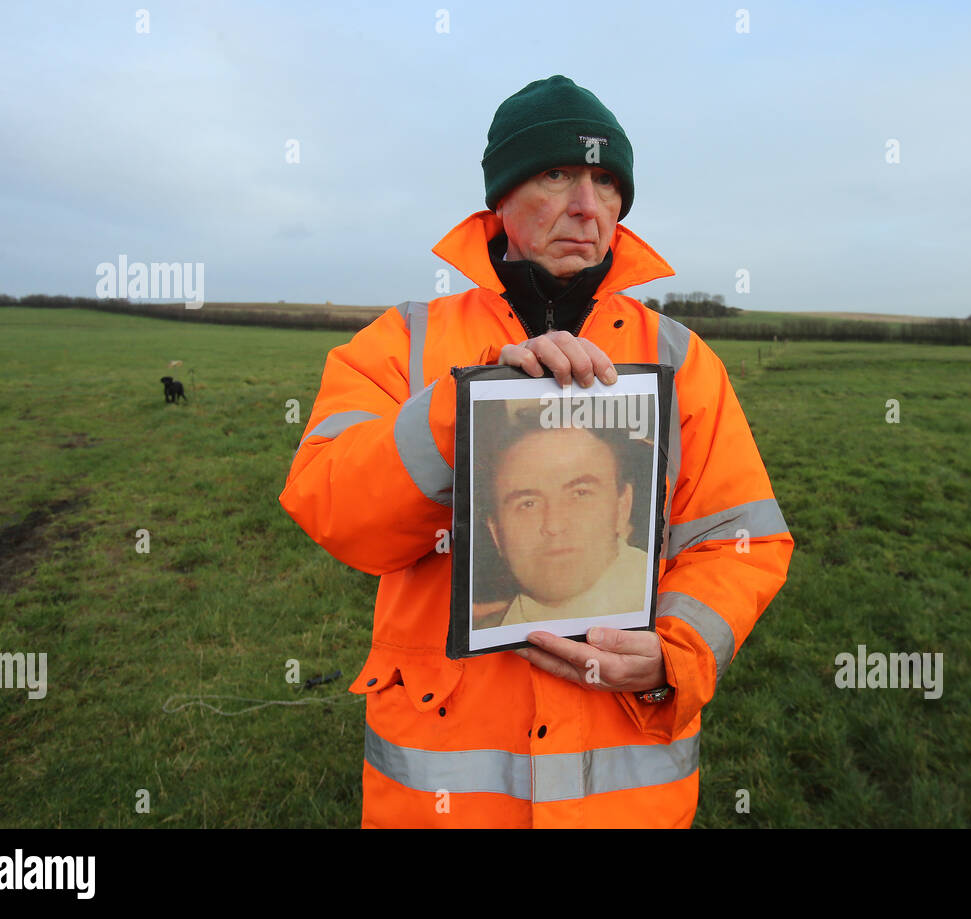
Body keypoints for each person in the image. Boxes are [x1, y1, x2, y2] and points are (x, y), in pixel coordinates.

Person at [278, 74, 793, 828]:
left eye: (607, 182)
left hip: (628, 801)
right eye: (557, 175)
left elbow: (741, 540)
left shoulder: (681, 360)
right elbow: (334, 509)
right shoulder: (404, 343)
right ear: (500, 200)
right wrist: (460, 412)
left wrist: (675, 652)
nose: (588, 206)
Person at [480, 422, 650, 628]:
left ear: (623, 508)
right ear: (496, 534)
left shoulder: (670, 609)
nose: (554, 525)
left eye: (580, 493)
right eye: (528, 504)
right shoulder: (482, 634)